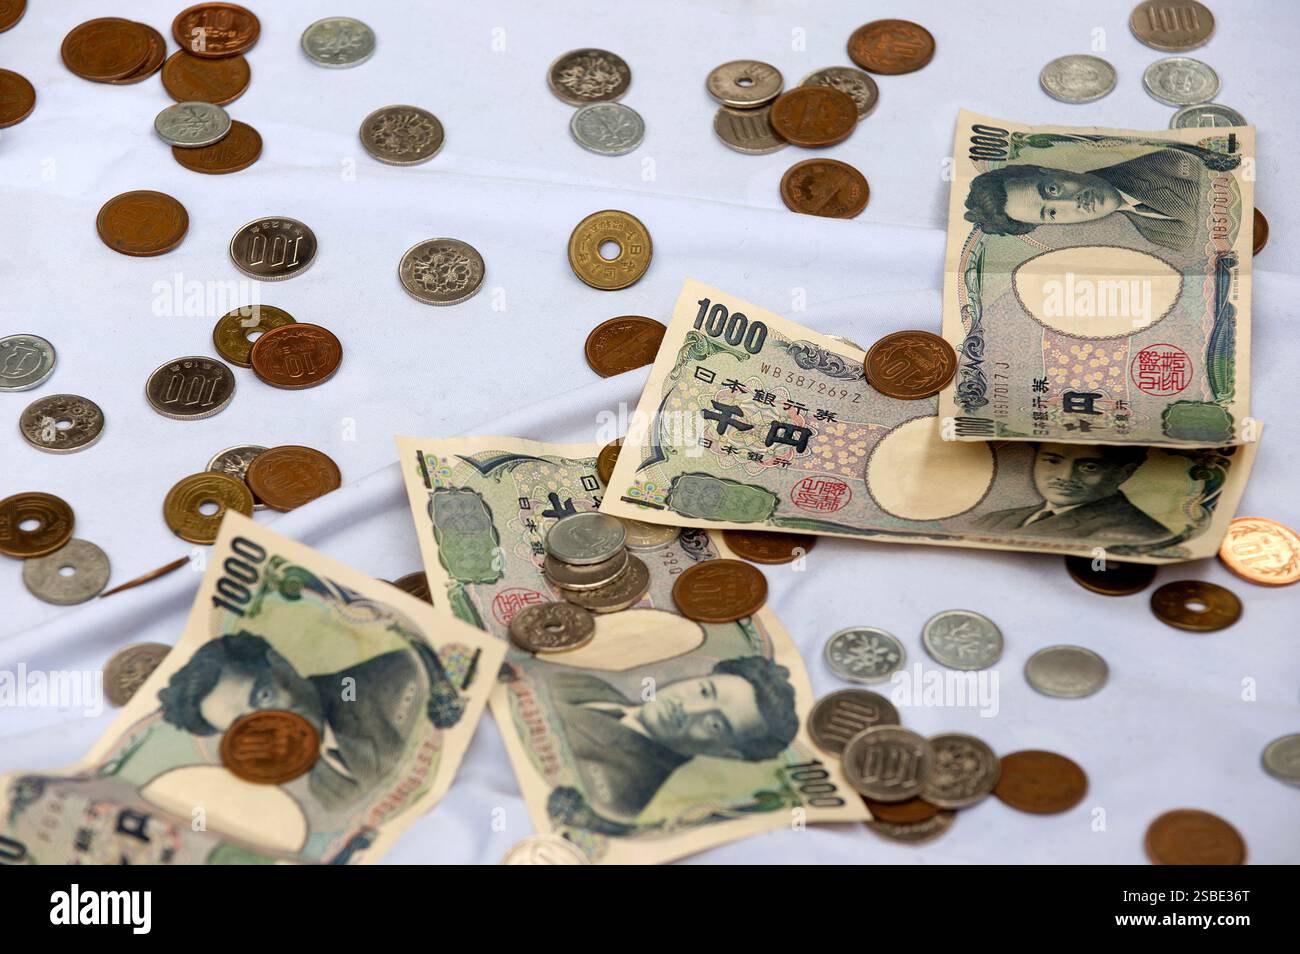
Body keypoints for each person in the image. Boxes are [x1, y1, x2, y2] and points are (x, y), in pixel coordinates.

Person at [158, 633, 429, 811]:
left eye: (264, 696)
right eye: (246, 726)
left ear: (281, 664)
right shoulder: (325, 788)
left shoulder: (401, 678)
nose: (273, 724)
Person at [548, 656, 798, 820]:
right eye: (704, 691)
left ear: (727, 754)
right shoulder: (588, 685)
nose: (688, 709)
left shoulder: (620, 795)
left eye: (715, 724)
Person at [963, 150, 1200, 251]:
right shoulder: (1157, 234)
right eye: (1051, 213)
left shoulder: (1174, 164)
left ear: (1053, 171)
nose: (1072, 203)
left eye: (1053, 189)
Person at [975, 442, 1169, 542]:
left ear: (1123, 473)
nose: (1065, 477)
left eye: (1089, 467)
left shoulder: (1140, 533)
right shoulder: (993, 520)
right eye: (1052, 461)